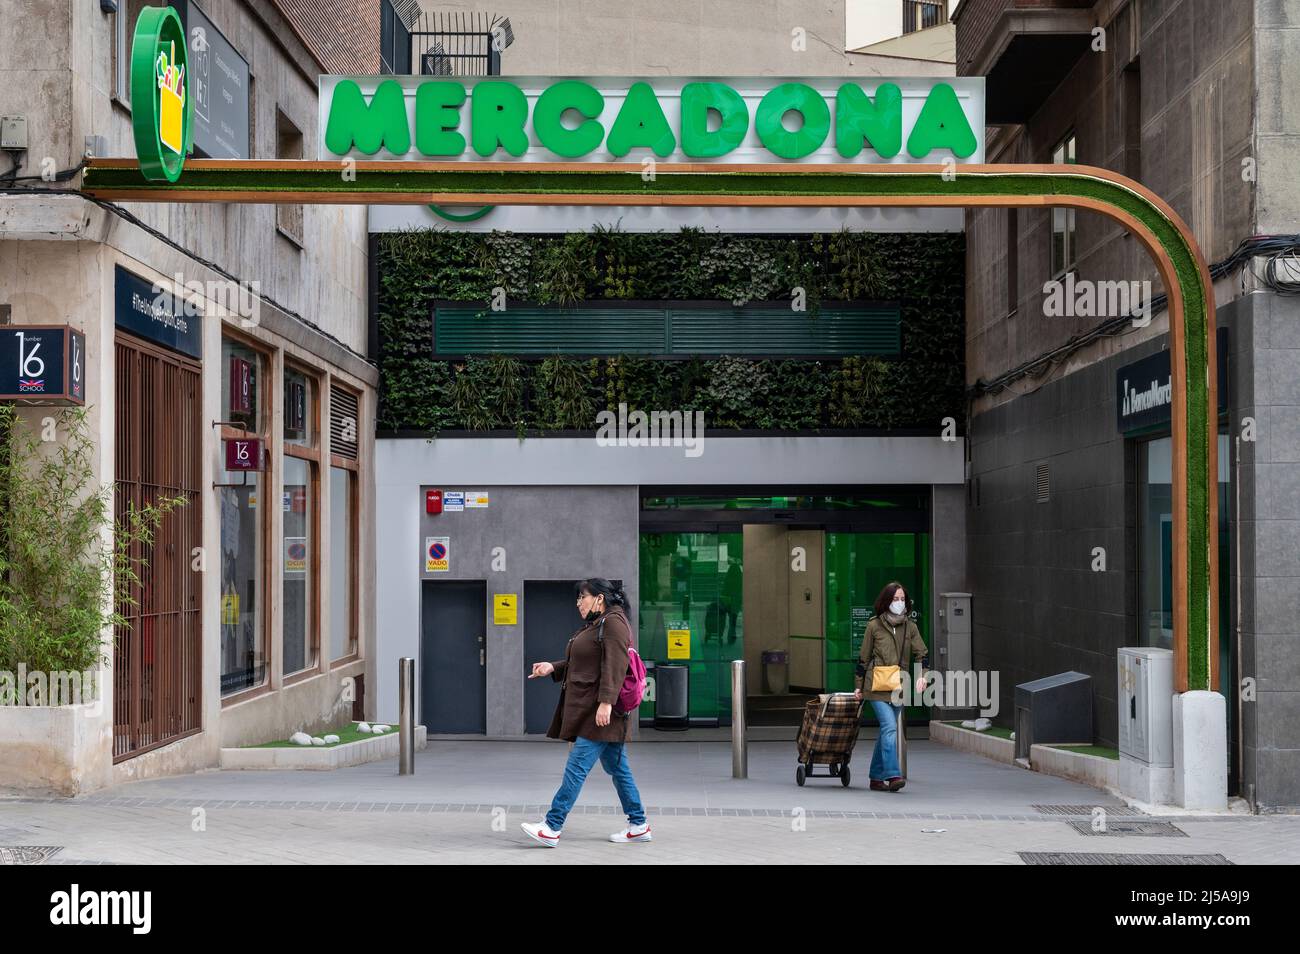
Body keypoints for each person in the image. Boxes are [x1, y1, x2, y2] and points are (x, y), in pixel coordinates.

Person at [521, 578, 651, 846]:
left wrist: (606, 702)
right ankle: (638, 824)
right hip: (595, 710)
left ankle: (552, 826)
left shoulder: (613, 622)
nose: (579, 603)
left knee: (576, 768)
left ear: (599, 598)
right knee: (618, 769)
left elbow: (615, 665)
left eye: (583, 597)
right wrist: (553, 668)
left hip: (600, 713)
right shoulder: (598, 624)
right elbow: (585, 663)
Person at [854, 581, 929, 792]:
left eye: (902, 599)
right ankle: (893, 775)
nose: (899, 603)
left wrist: (923, 676)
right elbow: (863, 658)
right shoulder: (873, 626)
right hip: (875, 686)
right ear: (886, 601)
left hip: (899, 687)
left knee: (885, 732)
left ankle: (875, 778)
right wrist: (858, 686)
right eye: (895, 599)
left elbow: (922, 654)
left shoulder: (910, 627)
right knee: (889, 727)